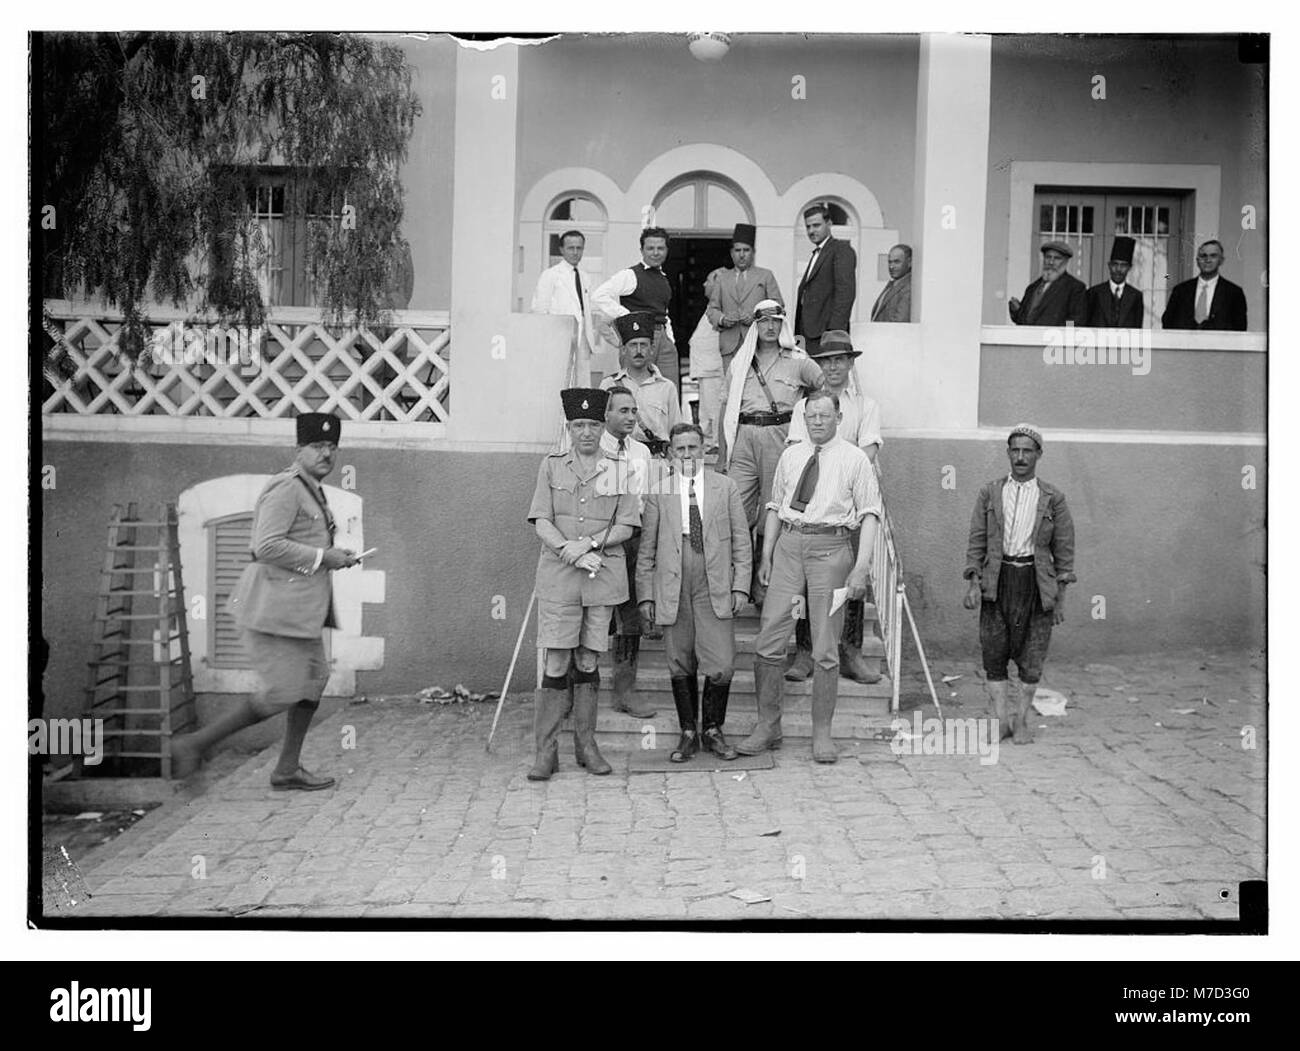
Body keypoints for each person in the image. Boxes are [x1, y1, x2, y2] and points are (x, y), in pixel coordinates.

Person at [169, 412, 361, 788]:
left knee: (315, 679)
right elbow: (265, 544)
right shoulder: (287, 487)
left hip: (300, 610)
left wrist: (334, 555)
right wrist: (323, 558)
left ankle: (287, 768)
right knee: (284, 692)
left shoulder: (312, 488)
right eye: (317, 446)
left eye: (332, 447)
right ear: (299, 448)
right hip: (273, 607)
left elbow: (299, 542)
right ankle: (193, 743)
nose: (327, 454)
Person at [736, 391, 881, 763]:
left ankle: (821, 734)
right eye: (811, 415)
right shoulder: (791, 454)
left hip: (831, 550)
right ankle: (768, 725)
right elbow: (773, 507)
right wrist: (766, 555)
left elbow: (868, 515)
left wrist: (861, 567)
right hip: (788, 544)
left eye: (824, 415)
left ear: (838, 416)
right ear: (804, 417)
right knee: (769, 638)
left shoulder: (854, 459)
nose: (818, 421)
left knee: (825, 647)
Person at [526, 388, 642, 780]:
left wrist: (589, 544)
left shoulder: (620, 468)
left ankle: (586, 746)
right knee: (557, 660)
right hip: (560, 576)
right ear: (569, 428)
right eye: (579, 425)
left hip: (602, 575)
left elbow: (627, 524)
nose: (587, 432)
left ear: (603, 425)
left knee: (589, 658)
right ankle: (546, 751)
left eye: (594, 424)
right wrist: (568, 550)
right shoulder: (552, 466)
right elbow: (541, 519)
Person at [637, 423, 751, 762]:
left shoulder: (725, 488)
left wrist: (740, 585)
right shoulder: (660, 491)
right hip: (673, 577)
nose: (687, 455)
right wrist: (646, 595)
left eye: (693, 448)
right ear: (671, 454)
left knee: (722, 662)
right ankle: (688, 733)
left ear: (704, 451)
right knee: (679, 659)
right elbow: (647, 550)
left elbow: (743, 542)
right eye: (680, 449)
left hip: (712, 576)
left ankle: (713, 729)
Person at [962, 424, 1076, 745]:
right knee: (994, 651)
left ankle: (1022, 719)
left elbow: (1064, 552)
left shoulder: (1053, 498)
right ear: (1008, 453)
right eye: (1015, 450)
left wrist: (1060, 598)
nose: (1021, 457)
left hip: (1036, 584)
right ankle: (1001, 720)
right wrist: (974, 582)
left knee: (1033, 654)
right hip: (997, 581)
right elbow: (977, 542)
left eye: (1028, 451)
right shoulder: (990, 493)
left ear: (1039, 454)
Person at [784, 330, 883, 684]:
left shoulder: (865, 405)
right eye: (826, 360)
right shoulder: (805, 406)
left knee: (852, 576)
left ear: (850, 363)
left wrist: (844, 474)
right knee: (804, 579)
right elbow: (797, 449)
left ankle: (849, 650)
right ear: (819, 364)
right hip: (813, 504)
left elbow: (869, 450)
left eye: (840, 359)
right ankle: (805, 650)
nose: (834, 367)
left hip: (851, 502)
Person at [716, 300, 823, 604]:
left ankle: (765, 587)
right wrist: (724, 453)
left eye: (776, 321)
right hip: (744, 436)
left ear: (782, 324)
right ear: (755, 326)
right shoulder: (741, 361)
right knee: (736, 508)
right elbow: (727, 405)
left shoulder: (798, 360)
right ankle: (739, 584)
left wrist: (809, 424)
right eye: (764, 322)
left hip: (781, 435)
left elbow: (822, 388)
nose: (770, 327)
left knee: (773, 507)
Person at [599, 383, 657, 720]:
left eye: (634, 411)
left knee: (630, 615)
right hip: (599, 538)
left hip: (632, 538)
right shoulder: (592, 447)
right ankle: (580, 690)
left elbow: (647, 500)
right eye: (623, 410)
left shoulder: (642, 453)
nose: (631, 417)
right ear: (606, 414)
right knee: (595, 610)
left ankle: (625, 690)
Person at [592, 226, 679, 387]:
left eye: (660, 248)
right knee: (637, 390)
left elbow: (664, 313)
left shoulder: (663, 278)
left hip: (663, 340)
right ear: (642, 250)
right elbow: (599, 295)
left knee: (668, 388)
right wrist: (628, 316)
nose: (655, 252)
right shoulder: (630, 275)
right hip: (639, 339)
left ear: (667, 250)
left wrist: (670, 339)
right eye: (650, 248)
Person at [599, 312, 681, 456]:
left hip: (656, 459)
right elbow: (599, 427)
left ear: (651, 348)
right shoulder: (608, 384)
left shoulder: (667, 387)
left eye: (643, 345)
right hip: (618, 458)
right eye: (633, 345)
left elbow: (676, 431)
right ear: (623, 349)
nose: (638, 351)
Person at [706, 223, 785, 365]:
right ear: (731, 253)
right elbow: (712, 309)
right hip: (730, 345)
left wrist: (756, 315)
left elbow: (778, 307)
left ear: (753, 252)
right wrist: (722, 319)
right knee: (732, 385)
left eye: (746, 250)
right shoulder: (722, 278)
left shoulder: (765, 276)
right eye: (738, 250)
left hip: (759, 343)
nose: (742, 255)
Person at [794, 203, 857, 355]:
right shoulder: (817, 253)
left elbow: (845, 294)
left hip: (825, 336)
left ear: (829, 224)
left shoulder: (840, 250)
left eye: (816, 225)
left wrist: (833, 336)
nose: (811, 231)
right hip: (807, 335)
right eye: (808, 227)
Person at [530, 228, 597, 355]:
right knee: (558, 374)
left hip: (583, 340)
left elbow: (589, 309)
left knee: (581, 375)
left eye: (579, 248)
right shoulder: (550, 275)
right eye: (571, 248)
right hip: (558, 340)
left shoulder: (585, 277)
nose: (575, 252)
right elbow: (540, 311)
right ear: (562, 250)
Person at [1161, 239, 1248, 331]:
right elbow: (1167, 322)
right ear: (1197, 260)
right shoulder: (1180, 291)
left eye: (1213, 256)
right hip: (1185, 344)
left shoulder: (1234, 293)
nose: (1207, 260)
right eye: (1203, 256)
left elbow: (1240, 329)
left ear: (1221, 260)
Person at [1009, 242, 1087, 326]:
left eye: (1057, 258)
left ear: (1066, 261)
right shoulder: (1032, 288)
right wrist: (1017, 310)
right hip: (1029, 337)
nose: (1051, 262)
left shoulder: (1075, 287)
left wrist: (1060, 333)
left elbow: (1076, 320)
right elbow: (1023, 321)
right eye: (1048, 257)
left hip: (1054, 338)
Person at [1085, 236, 1144, 328]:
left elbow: (1138, 328)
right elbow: (1085, 323)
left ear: (1129, 268)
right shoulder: (1094, 293)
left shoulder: (1135, 296)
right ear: (1109, 265)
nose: (1118, 269)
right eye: (1115, 264)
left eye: (1123, 265)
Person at [869, 244, 912, 323]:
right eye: (890, 262)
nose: (891, 266)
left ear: (909, 262)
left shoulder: (908, 287)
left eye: (897, 262)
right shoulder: (892, 285)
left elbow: (900, 323)